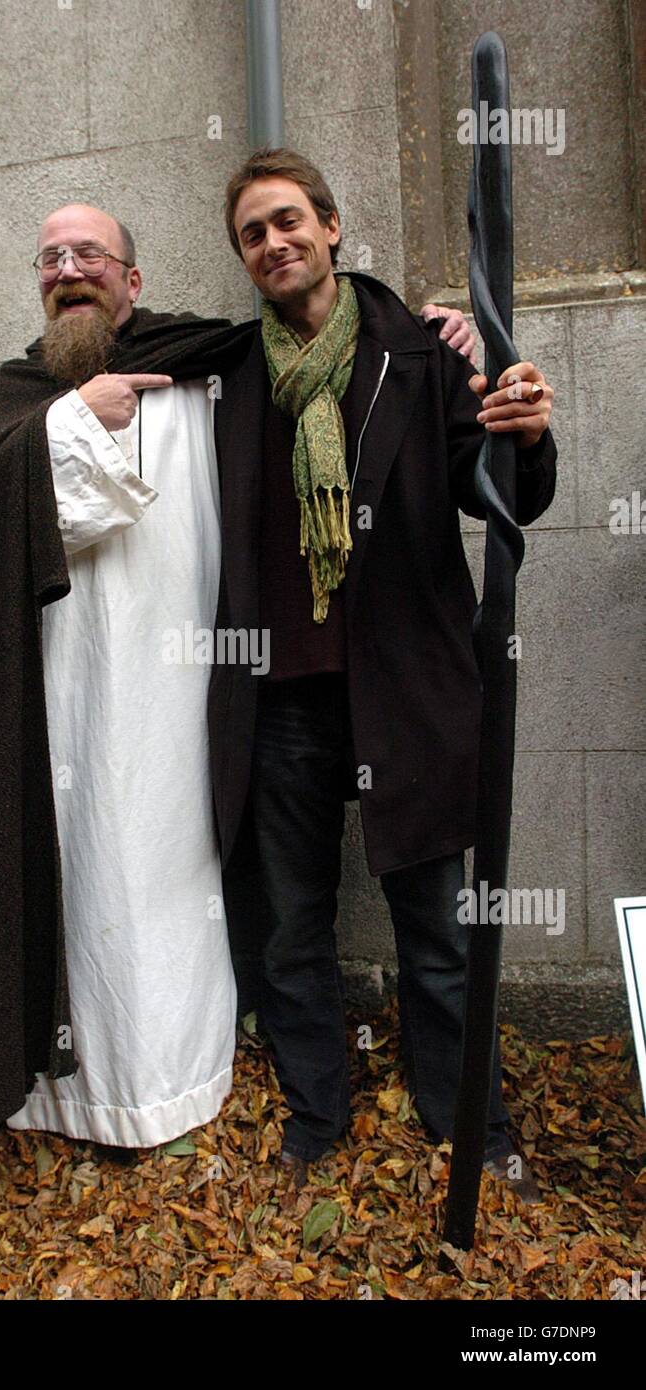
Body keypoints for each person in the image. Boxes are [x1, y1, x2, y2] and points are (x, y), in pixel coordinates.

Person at [0, 199, 474, 1151]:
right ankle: (78, 1086)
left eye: (90, 254)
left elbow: (341, 342)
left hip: (186, 709)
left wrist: (436, 328)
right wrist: (75, 417)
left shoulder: (207, 363)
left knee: (187, 888)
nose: (69, 269)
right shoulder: (11, 390)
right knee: (130, 887)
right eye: (50, 257)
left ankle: (203, 1088)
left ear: (133, 277)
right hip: (57, 705)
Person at [207, 148, 557, 1195]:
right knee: (290, 928)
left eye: (285, 222)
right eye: (251, 234)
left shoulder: (422, 349)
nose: (272, 243)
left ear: (328, 226)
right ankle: (318, 1115)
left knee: (438, 932)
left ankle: (470, 1123)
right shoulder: (229, 373)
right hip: (280, 700)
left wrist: (526, 434)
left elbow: (499, 492)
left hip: (402, 688)